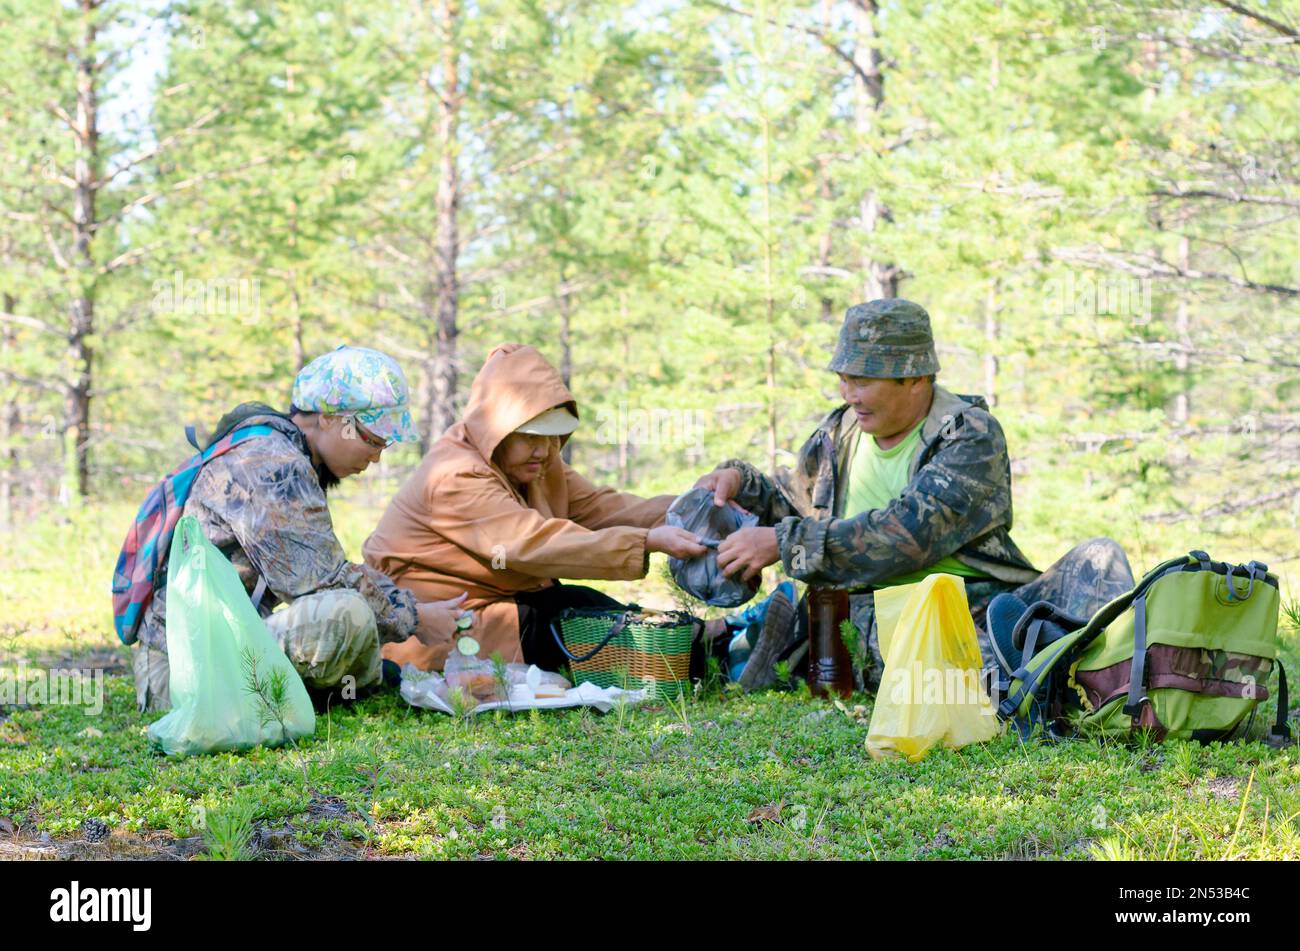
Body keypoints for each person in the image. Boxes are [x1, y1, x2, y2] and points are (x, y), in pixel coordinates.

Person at [697, 298, 1136, 691]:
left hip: (974, 609)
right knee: (980, 673)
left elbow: (909, 534)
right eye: (844, 379)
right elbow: (795, 503)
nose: (850, 395)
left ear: (917, 377)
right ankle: (1047, 675)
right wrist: (740, 482)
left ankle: (1105, 677)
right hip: (878, 619)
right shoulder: (840, 432)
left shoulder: (969, 435)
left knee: (1099, 558)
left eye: (863, 381)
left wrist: (786, 542)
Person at [131, 345, 468, 712]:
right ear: (326, 418)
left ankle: (331, 690)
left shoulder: (278, 449)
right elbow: (325, 582)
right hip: (183, 676)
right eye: (371, 438)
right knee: (347, 614)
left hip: (199, 655)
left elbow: (329, 566)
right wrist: (415, 618)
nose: (377, 455)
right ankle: (334, 691)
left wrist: (409, 604)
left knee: (349, 609)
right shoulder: (272, 463)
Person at [363, 343, 712, 673]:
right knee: (580, 623)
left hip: (512, 606)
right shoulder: (456, 475)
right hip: (444, 626)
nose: (545, 450)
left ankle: (713, 639)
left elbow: (600, 508)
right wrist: (647, 541)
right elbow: (532, 544)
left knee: (580, 607)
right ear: (497, 429)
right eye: (531, 435)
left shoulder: (531, 462)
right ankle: (711, 649)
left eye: (551, 435)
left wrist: (695, 508)